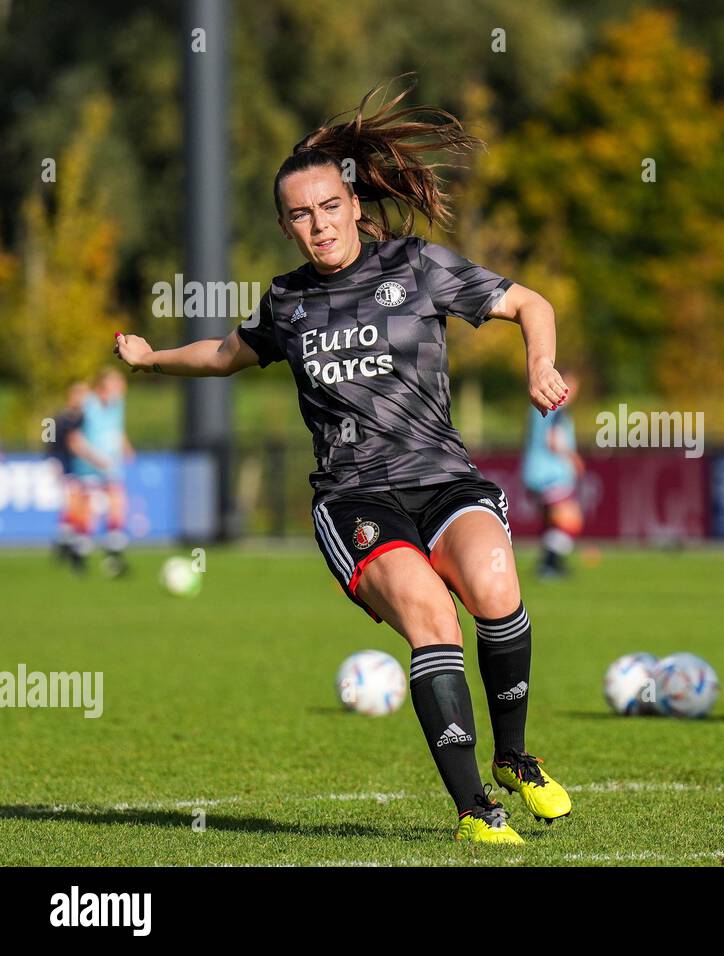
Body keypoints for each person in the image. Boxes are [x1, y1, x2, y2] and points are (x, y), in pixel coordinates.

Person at [114, 77, 572, 844]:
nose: (319, 225)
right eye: (301, 215)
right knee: (433, 620)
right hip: (354, 499)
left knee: (494, 588)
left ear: (356, 203)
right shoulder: (288, 303)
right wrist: (152, 358)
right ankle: (474, 813)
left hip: (442, 477)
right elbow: (225, 356)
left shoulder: (417, 268)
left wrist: (539, 365)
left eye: (330, 207)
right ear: (286, 226)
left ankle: (515, 759)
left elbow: (532, 304)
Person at [68, 370, 134, 577]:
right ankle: (79, 554)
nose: (119, 391)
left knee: (117, 501)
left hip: (110, 466)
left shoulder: (117, 405)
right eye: (115, 386)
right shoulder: (87, 405)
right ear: (102, 388)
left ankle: (114, 553)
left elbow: (116, 430)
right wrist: (95, 458)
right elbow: (74, 440)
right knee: (86, 510)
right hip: (87, 466)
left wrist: (126, 446)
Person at [521, 368, 585, 577]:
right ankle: (549, 564)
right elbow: (553, 439)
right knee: (571, 520)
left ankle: (549, 565)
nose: (573, 392)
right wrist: (573, 458)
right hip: (551, 473)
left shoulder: (538, 402)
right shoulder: (557, 407)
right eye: (570, 386)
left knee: (551, 522)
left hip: (533, 470)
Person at [49, 381, 90, 570]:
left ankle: (65, 543)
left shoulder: (86, 418)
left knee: (77, 506)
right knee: (73, 505)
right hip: (67, 466)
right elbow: (51, 443)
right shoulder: (61, 419)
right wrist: (54, 462)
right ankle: (69, 545)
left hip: (81, 467)